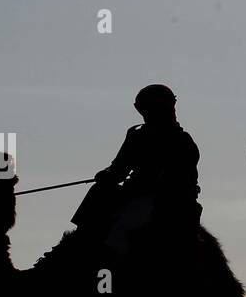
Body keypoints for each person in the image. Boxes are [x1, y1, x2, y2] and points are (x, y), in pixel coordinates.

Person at [72, 84, 202, 254]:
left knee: (126, 225)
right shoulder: (137, 135)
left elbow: (178, 180)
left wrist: (141, 186)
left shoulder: (182, 142)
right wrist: (107, 175)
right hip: (135, 195)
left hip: (166, 201)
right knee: (99, 191)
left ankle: (112, 254)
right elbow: (119, 168)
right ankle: (80, 241)